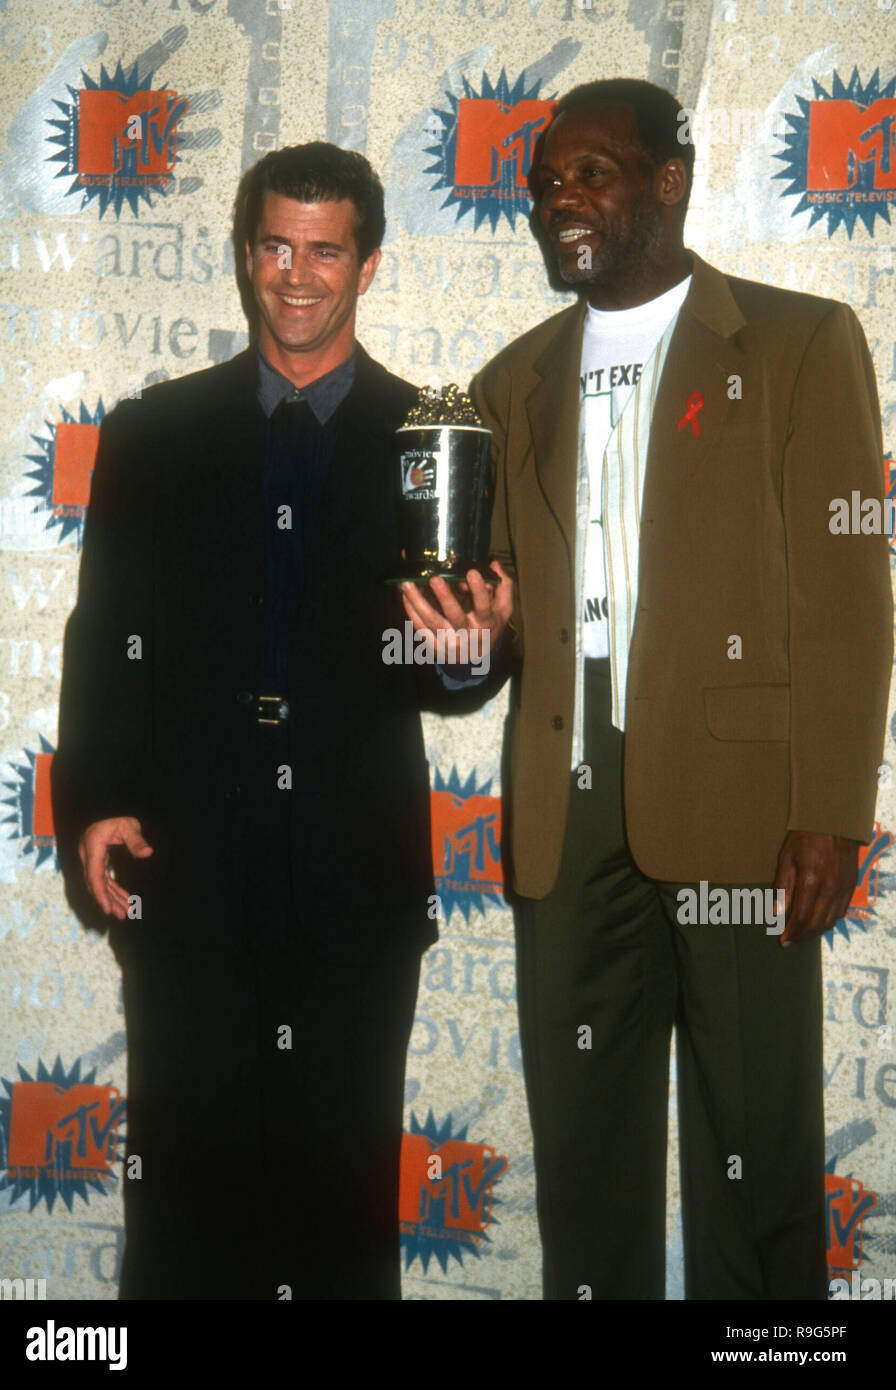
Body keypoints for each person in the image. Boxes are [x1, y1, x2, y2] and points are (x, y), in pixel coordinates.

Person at [401, 78, 893, 1300]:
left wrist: (831, 805)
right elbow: (497, 629)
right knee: (585, 1150)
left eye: (591, 172)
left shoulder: (795, 341)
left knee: (753, 1142)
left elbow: (844, 596)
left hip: (739, 796)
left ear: (667, 180)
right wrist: (470, 645)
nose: (559, 199)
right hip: (569, 807)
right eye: (544, 182)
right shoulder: (513, 378)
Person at [52, 142, 478, 1300]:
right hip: (187, 870)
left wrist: (466, 655)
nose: (296, 275)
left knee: (339, 1200)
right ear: (246, 256)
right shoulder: (152, 433)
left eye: (324, 250)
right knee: (183, 1196)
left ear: (369, 263)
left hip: (354, 882)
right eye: (276, 246)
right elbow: (106, 636)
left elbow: (459, 664)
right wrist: (90, 798)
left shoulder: (435, 441)